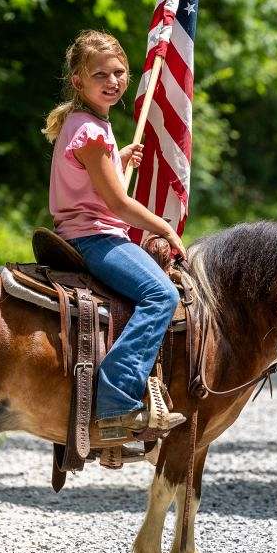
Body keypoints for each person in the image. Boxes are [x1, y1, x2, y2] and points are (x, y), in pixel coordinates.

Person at [43, 29, 187, 438]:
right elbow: (118, 205)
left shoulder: (84, 125)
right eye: (100, 74)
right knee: (163, 295)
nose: (113, 82)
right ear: (78, 81)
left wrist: (116, 157)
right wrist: (164, 228)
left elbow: (91, 181)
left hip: (83, 229)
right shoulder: (90, 131)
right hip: (94, 236)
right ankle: (115, 399)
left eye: (119, 73)